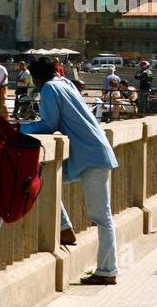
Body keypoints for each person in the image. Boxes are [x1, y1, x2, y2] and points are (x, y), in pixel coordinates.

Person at [19, 55, 120, 284]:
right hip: (92, 152)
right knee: (42, 181)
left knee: (102, 217)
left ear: (36, 78)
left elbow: (48, 124)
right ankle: (64, 228)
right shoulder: (65, 84)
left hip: (90, 157)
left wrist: (20, 129)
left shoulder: (49, 89)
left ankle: (107, 270)